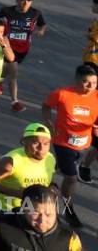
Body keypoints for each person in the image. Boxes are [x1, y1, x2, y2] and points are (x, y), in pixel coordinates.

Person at [40, 65, 98, 228]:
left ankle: (58, 165)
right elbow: (46, 106)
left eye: (93, 83)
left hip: (83, 143)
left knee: (71, 162)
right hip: (62, 141)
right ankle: (68, 209)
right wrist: (48, 121)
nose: (89, 87)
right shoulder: (62, 94)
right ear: (76, 79)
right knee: (71, 178)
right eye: (85, 82)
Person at [0, 184, 81, 251]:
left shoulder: (69, 237)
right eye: (35, 213)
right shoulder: (0, 223)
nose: (42, 221)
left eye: (49, 214)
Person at [0, 123, 55, 212]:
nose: (41, 148)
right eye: (35, 142)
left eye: (46, 143)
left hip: (32, 210)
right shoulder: (12, 162)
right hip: (4, 208)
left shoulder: (50, 158)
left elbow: (46, 178)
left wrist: (52, 188)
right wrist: (17, 194)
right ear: (24, 142)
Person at [0, 0, 47, 113]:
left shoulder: (35, 13)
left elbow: (43, 25)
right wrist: (0, 32)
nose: (26, 3)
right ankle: (15, 102)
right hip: (7, 45)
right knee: (13, 73)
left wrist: (41, 31)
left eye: (29, 0)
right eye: (23, 0)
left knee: (7, 70)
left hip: (23, 48)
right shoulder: (6, 11)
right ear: (17, 0)